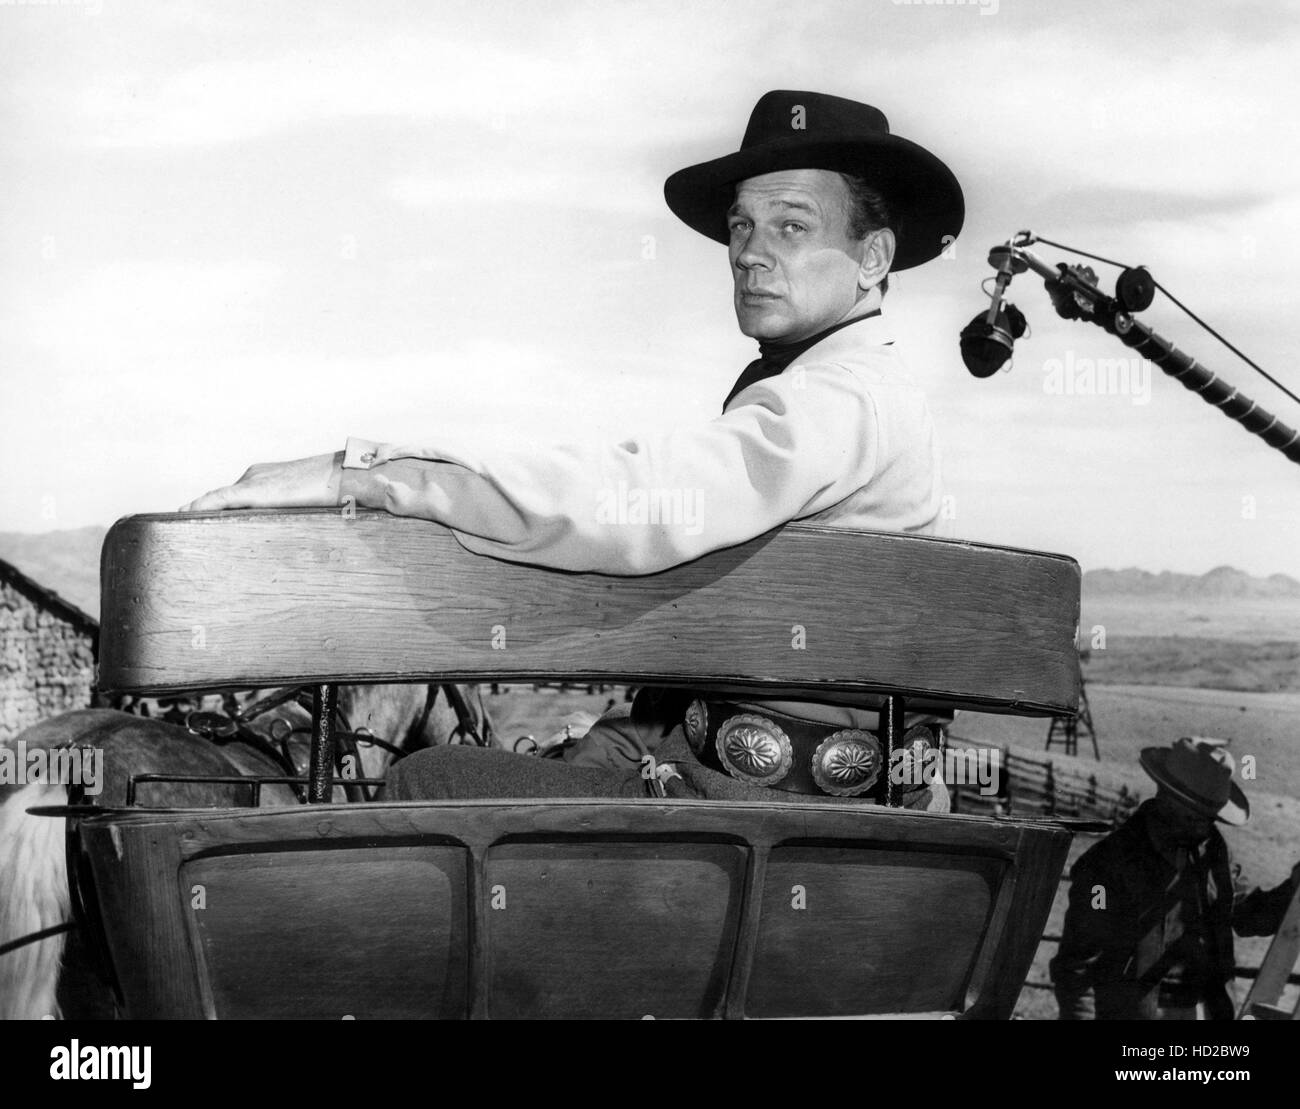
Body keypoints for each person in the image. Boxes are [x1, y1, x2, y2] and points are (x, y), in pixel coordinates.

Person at [182, 89, 964, 807]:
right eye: (741, 225)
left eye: (792, 226)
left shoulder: (839, 398)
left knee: (433, 777)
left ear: (873, 259)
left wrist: (371, 475)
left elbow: (637, 500)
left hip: (765, 802)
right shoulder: (845, 388)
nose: (750, 251)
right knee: (580, 751)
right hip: (764, 774)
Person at [1050, 736, 1300, 1020]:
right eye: (1197, 816)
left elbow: (1246, 915)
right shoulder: (1108, 864)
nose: (1206, 828)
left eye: (1211, 818)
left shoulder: (1213, 855)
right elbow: (1077, 964)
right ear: (1167, 799)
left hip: (1202, 1011)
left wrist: (1292, 889)